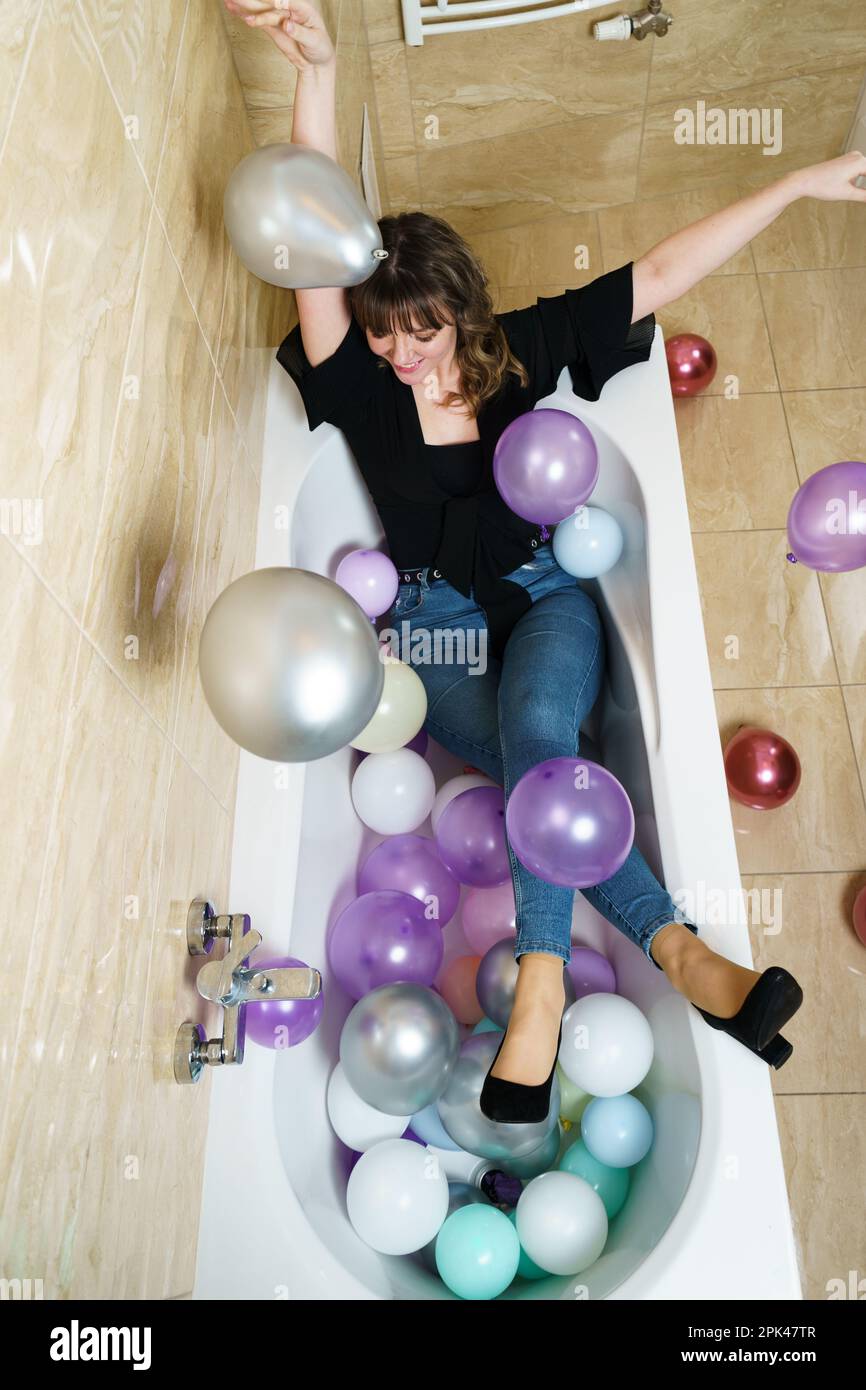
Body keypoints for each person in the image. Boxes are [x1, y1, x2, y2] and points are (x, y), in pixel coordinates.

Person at [227, 0, 865, 1122]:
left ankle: (539, 990)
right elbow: (307, 227)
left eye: (421, 329)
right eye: (382, 333)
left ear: (459, 311)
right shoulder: (361, 386)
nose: (402, 354)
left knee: (537, 742)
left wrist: (797, 183)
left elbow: (661, 270)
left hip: (548, 600)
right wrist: (316, 65)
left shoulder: (518, 351)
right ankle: (683, 958)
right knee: (539, 758)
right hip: (434, 635)